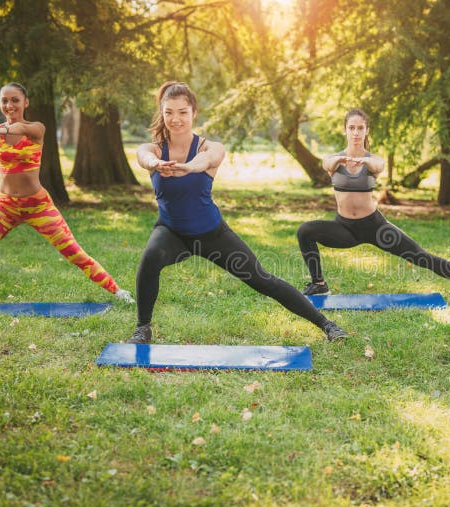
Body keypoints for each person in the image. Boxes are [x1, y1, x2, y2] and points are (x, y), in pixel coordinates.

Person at [127, 81, 347, 343]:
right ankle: (143, 328)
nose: (176, 119)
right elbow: (143, 156)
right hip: (171, 232)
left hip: (212, 234)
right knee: (150, 259)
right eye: (169, 112)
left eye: (182, 112)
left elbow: (206, 161)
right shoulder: (154, 149)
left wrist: (187, 168)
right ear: (162, 113)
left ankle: (327, 325)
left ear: (194, 113)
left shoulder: (210, 147)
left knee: (263, 280)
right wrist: (156, 163)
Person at [0, 82, 133, 304]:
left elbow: (20, 129)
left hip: (38, 206)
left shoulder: (36, 128)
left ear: (26, 102)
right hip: (5, 205)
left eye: (15, 100)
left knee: (74, 252)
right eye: (4, 100)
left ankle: (118, 291)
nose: (9, 105)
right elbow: (0, 135)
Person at [296, 109, 450, 298]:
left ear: (367, 131)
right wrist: (342, 159)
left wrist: (363, 162)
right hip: (344, 229)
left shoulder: (374, 160)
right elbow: (327, 165)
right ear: (345, 129)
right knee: (305, 230)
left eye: (360, 128)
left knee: (419, 256)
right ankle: (319, 285)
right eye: (351, 128)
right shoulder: (334, 160)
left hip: (374, 227)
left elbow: (378, 166)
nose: (356, 132)